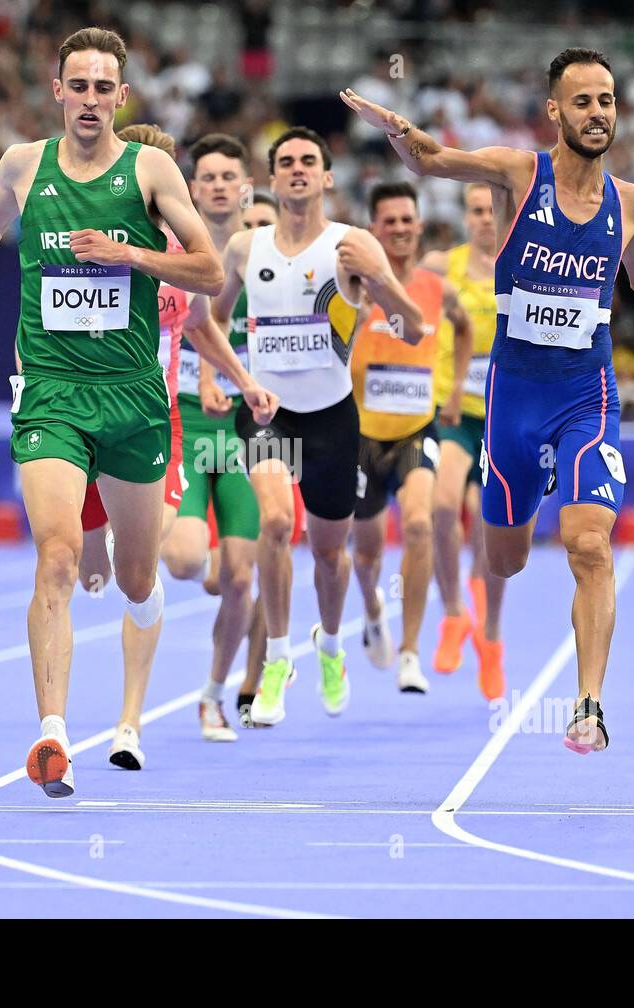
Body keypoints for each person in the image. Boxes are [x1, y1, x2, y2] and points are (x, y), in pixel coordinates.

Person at [342, 47, 634, 753]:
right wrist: (398, 130)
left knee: (589, 544)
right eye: (584, 101)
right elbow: (433, 160)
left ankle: (588, 705)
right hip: (513, 398)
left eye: (609, 100)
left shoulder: (632, 205)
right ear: (555, 111)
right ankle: (483, 588)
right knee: (505, 559)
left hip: (586, 397)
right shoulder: (515, 172)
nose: (600, 114)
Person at [0, 28, 269, 798]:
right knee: (58, 557)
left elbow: (209, 272)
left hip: (134, 398)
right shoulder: (23, 164)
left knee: (140, 578)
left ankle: (135, 680)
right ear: (58, 90)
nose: (89, 100)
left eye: (103, 88)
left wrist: (132, 255)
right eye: (77, 85)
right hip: (50, 390)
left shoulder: (149, 168)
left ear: (121, 97)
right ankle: (52, 735)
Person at [73, 123, 275, 766]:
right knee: (92, 576)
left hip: (155, 425)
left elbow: (200, 324)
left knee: (163, 568)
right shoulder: (76, 240)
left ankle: (128, 722)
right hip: (77, 419)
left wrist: (244, 382)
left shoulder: (177, 257)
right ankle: (110, 543)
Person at [215, 126, 425, 726]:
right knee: (277, 523)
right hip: (267, 416)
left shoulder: (351, 245)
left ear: (327, 177)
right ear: (272, 179)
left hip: (335, 422)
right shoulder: (243, 250)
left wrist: (380, 283)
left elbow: (412, 329)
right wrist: (224, 375)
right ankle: (277, 661)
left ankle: (330, 644)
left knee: (331, 557)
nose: (299, 169)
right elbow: (213, 319)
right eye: (287, 162)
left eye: (310, 160)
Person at [160, 134, 273, 739]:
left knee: (242, 574)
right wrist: (206, 373)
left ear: (247, 188)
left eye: (232, 176)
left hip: (251, 434)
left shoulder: (269, 253)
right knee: (189, 567)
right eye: (208, 177)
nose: (221, 186)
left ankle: (222, 693)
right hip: (184, 421)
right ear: (191, 188)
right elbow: (201, 323)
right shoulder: (175, 248)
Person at [350, 181, 473, 694]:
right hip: (359, 436)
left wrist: (456, 387)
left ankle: (410, 651)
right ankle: (375, 612)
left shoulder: (437, 288)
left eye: (407, 219)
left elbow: (463, 329)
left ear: (419, 226)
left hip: (416, 431)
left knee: (421, 526)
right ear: (374, 229)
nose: (399, 228)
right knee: (367, 552)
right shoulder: (355, 287)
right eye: (389, 221)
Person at [422, 183, 507, 700]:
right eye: (476, 210)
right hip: (452, 410)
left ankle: (491, 639)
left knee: (491, 529)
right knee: (441, 505)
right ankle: (453, 613)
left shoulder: (523, 266)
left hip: (503, 416)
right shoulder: (440, 266)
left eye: (492, 210)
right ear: (465, 217)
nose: (484, 219)